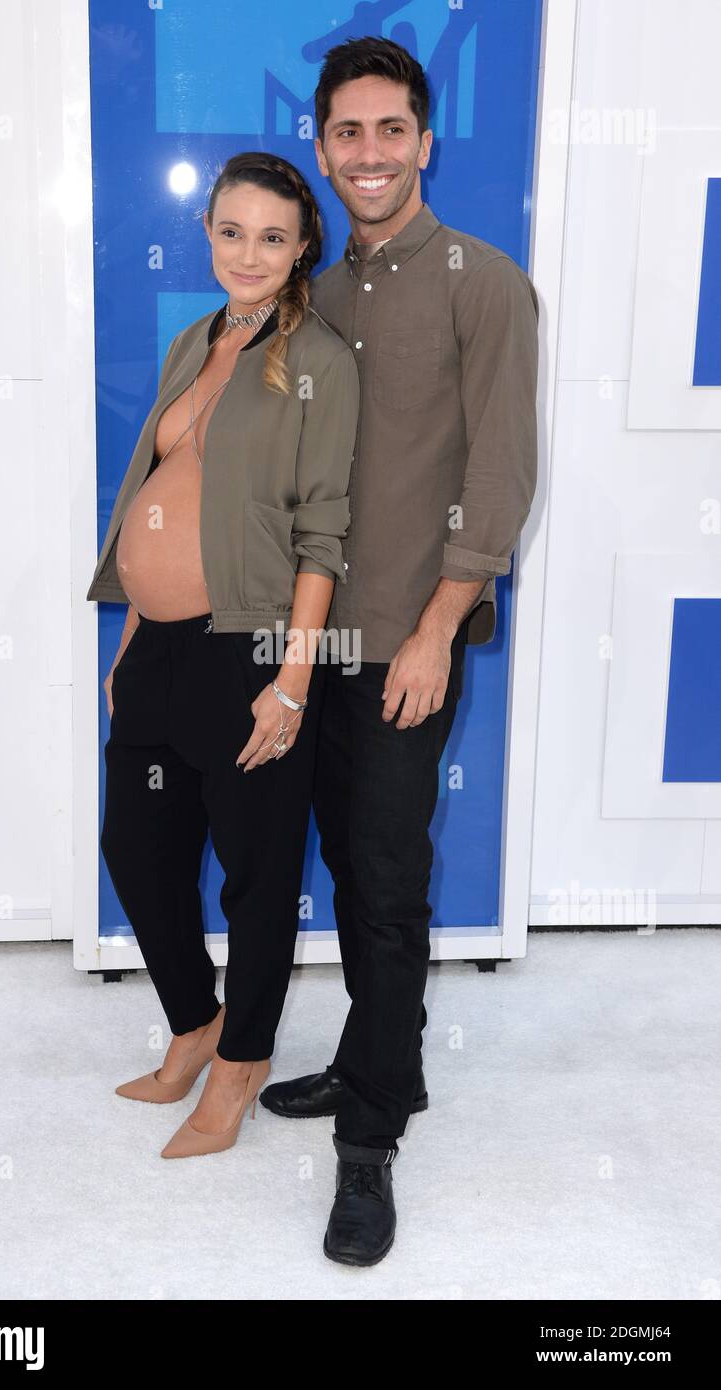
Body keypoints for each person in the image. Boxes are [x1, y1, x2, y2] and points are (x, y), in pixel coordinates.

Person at [259, 37, 540, 1265]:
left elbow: (500, 473)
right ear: (323, 147)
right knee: (330, 856)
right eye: (346, 132)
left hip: (405, 646)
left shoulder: (487, 282)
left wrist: (436, 627)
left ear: (424, 141)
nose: (367, 153)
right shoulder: (310, 289)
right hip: (308, 635)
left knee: (383, 888)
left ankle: (370, 1134)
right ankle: (390, 1064)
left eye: (390, 130)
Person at [86, 152, 359, 1160]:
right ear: (208, 231)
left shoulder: (320, 361)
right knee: (136, 846)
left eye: (273, 237)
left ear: (302, 250)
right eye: (232, 231)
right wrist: (126, 641)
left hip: (251, 653)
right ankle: (194, 1019)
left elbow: (324, 532)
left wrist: (292, 682)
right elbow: (146, 495)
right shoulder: (193, 338)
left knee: (255, 872)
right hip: (157, 645)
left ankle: (241, 1058)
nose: (249, 253)